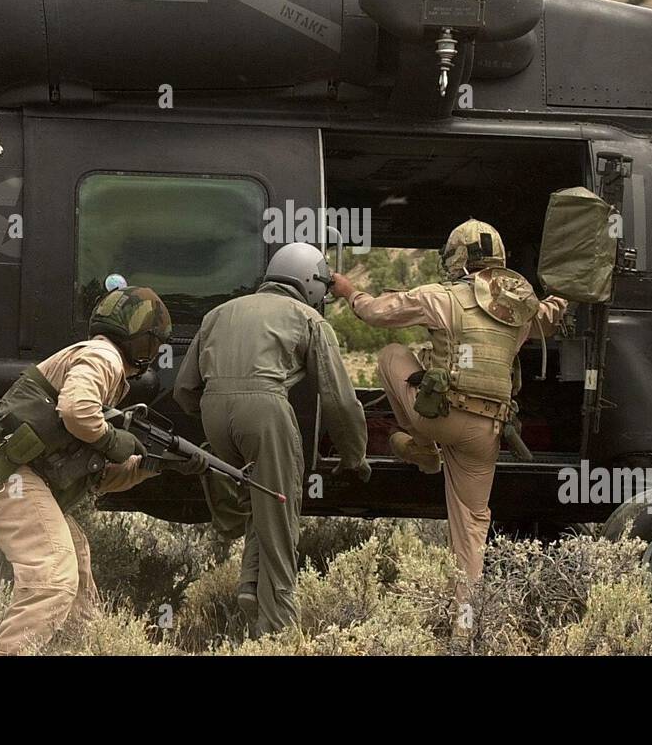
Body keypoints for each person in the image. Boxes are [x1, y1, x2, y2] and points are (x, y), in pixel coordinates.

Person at [330, 219, 568, 602]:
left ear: (457, 258)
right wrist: (568, 288)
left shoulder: (440, 297)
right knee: (472, 528)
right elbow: (553, 315)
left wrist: (349, 291)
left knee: (392, 356)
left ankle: (423, 448)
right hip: (489, 429)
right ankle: (465, 624)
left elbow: (375, 313)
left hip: (439, 416)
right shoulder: (525, 309)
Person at [0, 285, 199, 655]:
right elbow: (76, 411)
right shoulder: (104, 357)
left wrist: (152, 465)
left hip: (9, 471)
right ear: (140, 341)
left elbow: (97, 476)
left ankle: (77, 647)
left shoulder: (98, 363)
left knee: (76, 555)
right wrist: (111, 440)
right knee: (53, 575)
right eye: (153, 343)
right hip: (7, 471)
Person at [174, 242, 370, 637]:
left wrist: (219, 412)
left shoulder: (218, 313)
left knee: (258, 497)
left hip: (214, 416)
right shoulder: (309, 318)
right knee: (280, 513)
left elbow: (184, 390)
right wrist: (354, 457)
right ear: (310, 283)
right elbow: (339, 400)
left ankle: (250, 585)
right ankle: (278, 630)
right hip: (263, 410)